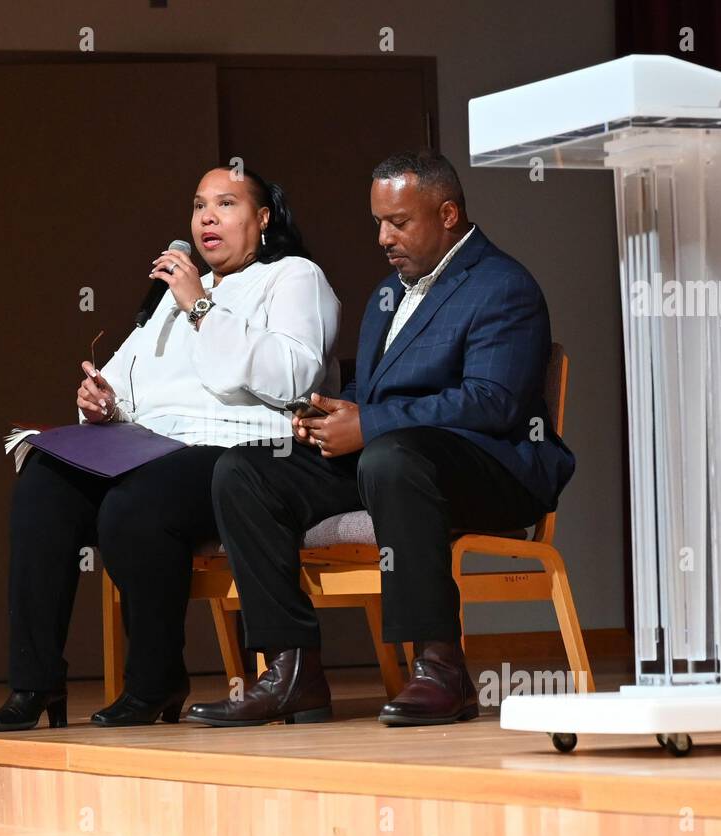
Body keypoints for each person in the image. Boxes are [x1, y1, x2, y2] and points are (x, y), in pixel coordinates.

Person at [185, 150, 576, 728]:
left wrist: (369, 426)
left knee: (393, 456)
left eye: (399, 222)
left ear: (447, 215)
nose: (383, 237)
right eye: (378, 223)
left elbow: (493, 403)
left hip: (495, 468)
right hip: (394, 461)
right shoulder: (388, 295)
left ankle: (441, 669)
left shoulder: (502, 285)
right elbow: (373, 396)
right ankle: (293, 671)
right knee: (245, 471)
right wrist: (331, 418)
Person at [0, 167, 340, 731]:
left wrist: (200, 306)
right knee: (43, 483)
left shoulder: (292, 277)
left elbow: (293, 378)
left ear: (264, 217)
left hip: (238, 449)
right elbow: (127, 383)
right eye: (200, 206)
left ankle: (154, 681)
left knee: (134, 504)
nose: (207, 217)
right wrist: (99, 402)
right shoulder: (172, 297)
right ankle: (35, 683)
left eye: (226, 203)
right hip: (146, 445)